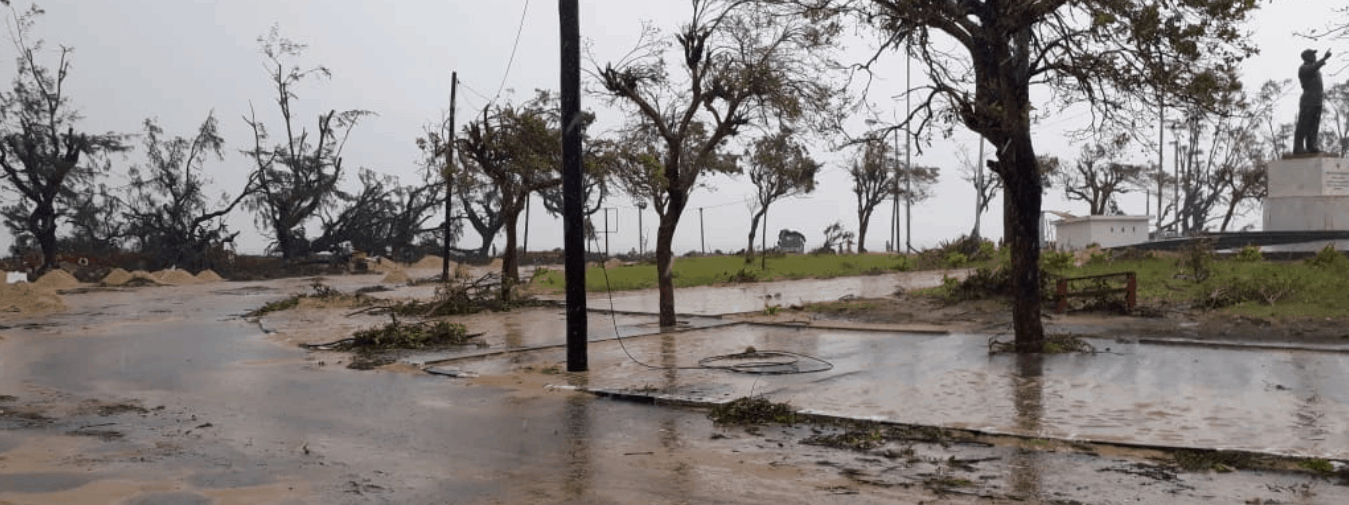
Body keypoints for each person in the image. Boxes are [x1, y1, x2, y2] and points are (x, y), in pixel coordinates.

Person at [1294, 48, 1333, 154]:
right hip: (1308, 100)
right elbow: (1313, 68)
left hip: (1317, 101)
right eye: (1313, 55)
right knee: (1303, 124)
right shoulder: (1303, 68)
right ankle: (1298, 147)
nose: (1315, 56)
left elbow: (1315, 68)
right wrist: (1324, 58)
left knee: (1314, 125)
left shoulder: (1315, 69)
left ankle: (1311, 145)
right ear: (1307, 57)